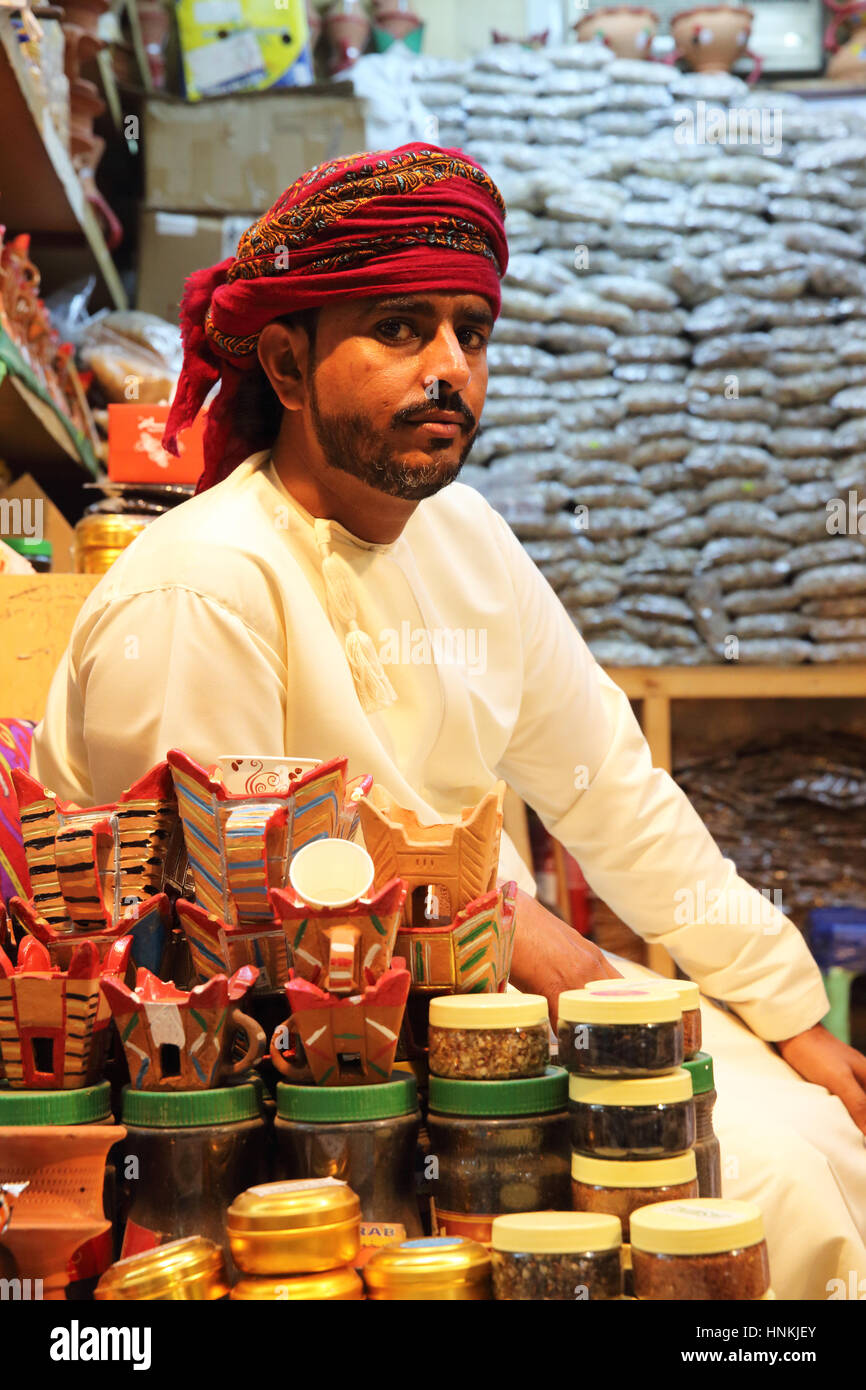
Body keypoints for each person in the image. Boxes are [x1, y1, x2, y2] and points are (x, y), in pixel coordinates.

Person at [30, 144, 866, 1294]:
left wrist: (788, 1012)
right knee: (762, 1182)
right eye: (400, 328)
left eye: (469, 334)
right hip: (312, 1082)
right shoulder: (202, 584)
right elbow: (228, 917)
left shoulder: (468, 542)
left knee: (822, 1136)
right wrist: (540, 946)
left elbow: (615, 795)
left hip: (497, 1030)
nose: (449, 371)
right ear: (284, 359)